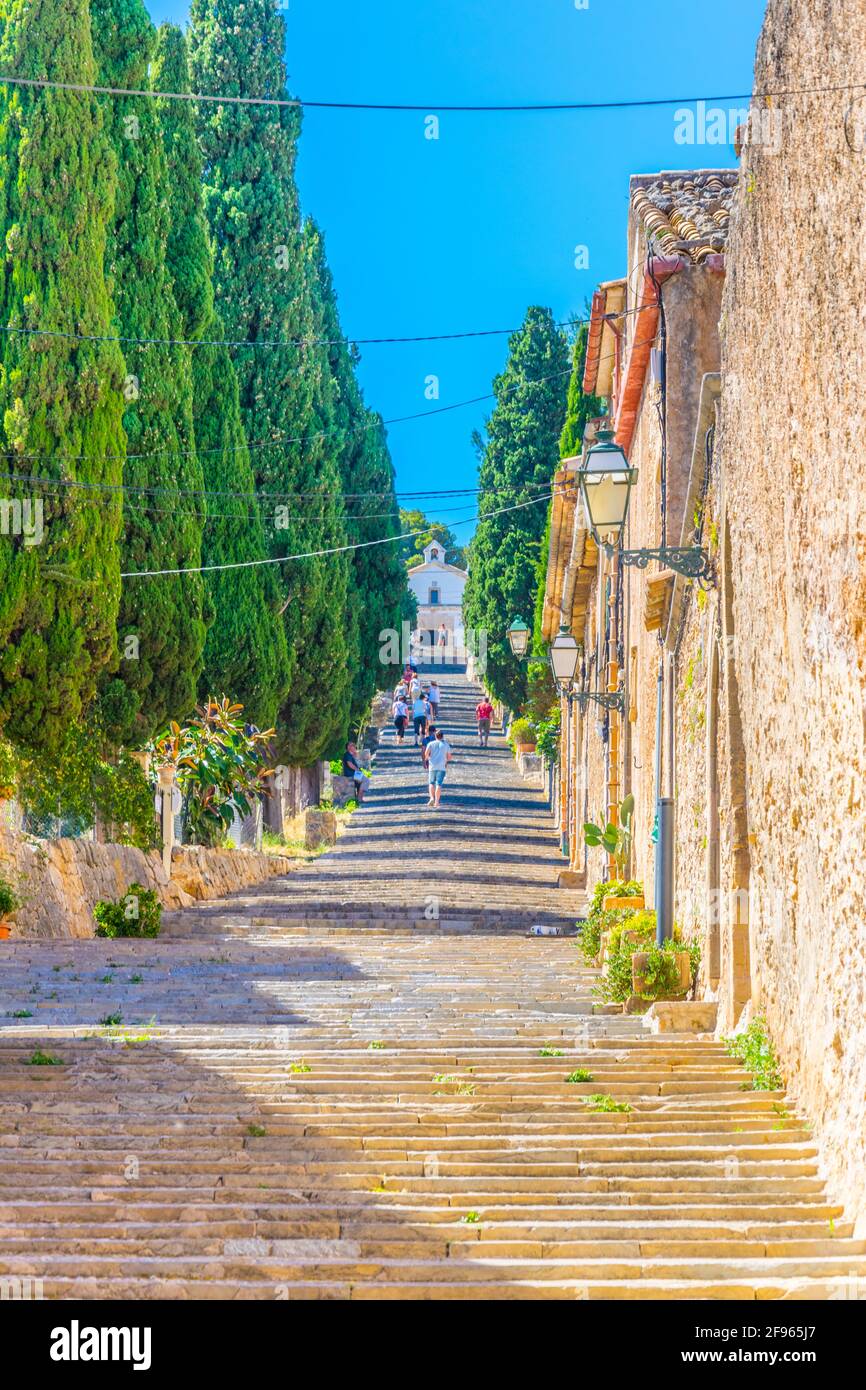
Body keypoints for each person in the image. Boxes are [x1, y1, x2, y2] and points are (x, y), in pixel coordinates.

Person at [424, 727, 452, 808]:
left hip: (432, 766)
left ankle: (432, 798)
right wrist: (446, 759)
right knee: (439, 784)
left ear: (435, 736)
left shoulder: (430, 744)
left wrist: (428, 759)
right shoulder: (446, 744)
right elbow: (449, 757)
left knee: (431, 783)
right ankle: (436, 802)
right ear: (442, 736)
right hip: (441, 766)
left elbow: (426, 755)